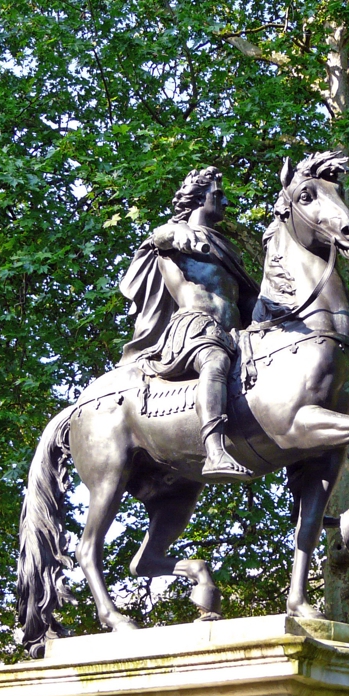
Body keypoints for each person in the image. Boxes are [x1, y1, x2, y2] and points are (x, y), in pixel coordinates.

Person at [118, 167, 259, 479]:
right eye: (218, 195)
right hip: (195, 328)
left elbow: (246, 298)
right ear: (198, 199)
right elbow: (160, 237)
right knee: (215, 360)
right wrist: (178, 233)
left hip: (236, 334)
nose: (225, 201)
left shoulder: (226, 247)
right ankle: (215, 452)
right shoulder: (173, 236)